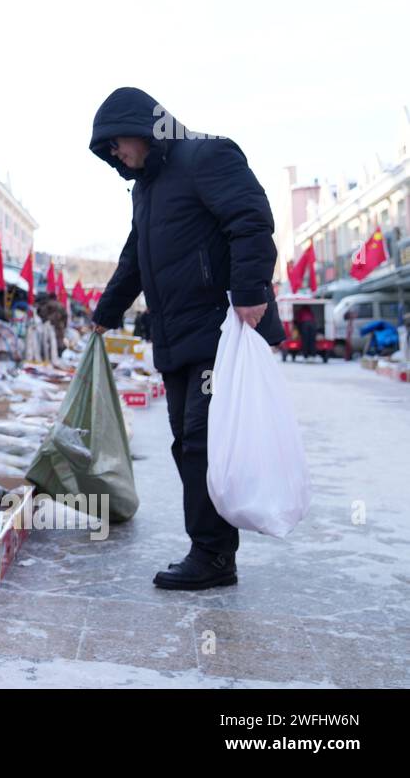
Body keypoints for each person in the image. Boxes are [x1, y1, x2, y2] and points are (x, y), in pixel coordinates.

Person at [89, 87, 283, 591]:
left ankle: (213, 555)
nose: (115, 155)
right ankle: (215, 551)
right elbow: (135, 258)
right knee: (186, 442)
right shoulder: (146, 190)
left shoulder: (207, 154)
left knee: (199, 441)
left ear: (138, 127)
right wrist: (105, 313)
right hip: (177, 337)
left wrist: (249, 288)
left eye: (115, 143)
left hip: (222, 328)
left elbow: (251, 219)